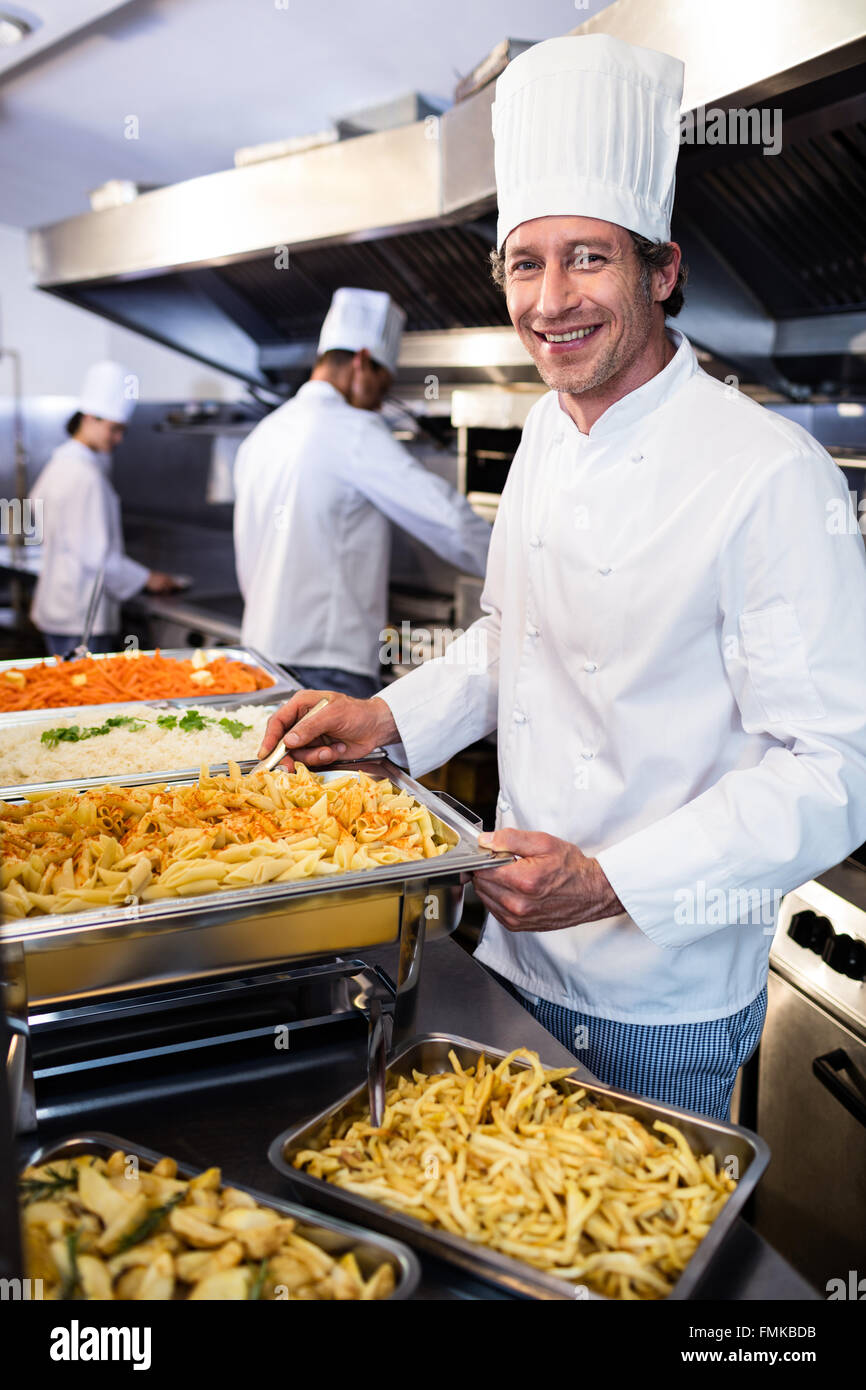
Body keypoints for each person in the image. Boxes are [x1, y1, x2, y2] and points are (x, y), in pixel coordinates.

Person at [257, 36, 866, 1121]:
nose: (550, 300)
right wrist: (385, 718)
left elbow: (833, 769)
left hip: (656, 999)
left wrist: (607, 880)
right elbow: (512, 636)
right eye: (524, 263)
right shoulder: (544, 430)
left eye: (588, 257)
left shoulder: (768, 470)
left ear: (661, 270)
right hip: (508, 951)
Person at [233, 287, 491, 698]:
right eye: (381, 386)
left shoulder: (262, 436)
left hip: (259, 659)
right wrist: (523, 572)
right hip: (326, 665)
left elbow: (248, 558)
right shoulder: (352, 431)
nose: (378, 403)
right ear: (362, 362)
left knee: (271, 766)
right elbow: (447, 520)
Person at [30, 360, 176, 656]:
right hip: (80, 614)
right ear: (89, 419)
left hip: (59, 605)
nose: (119, 439)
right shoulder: (85, 476)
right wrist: (147, 579)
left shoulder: (60, 463)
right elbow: (98, 559)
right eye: (114, 429)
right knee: (82, 697)